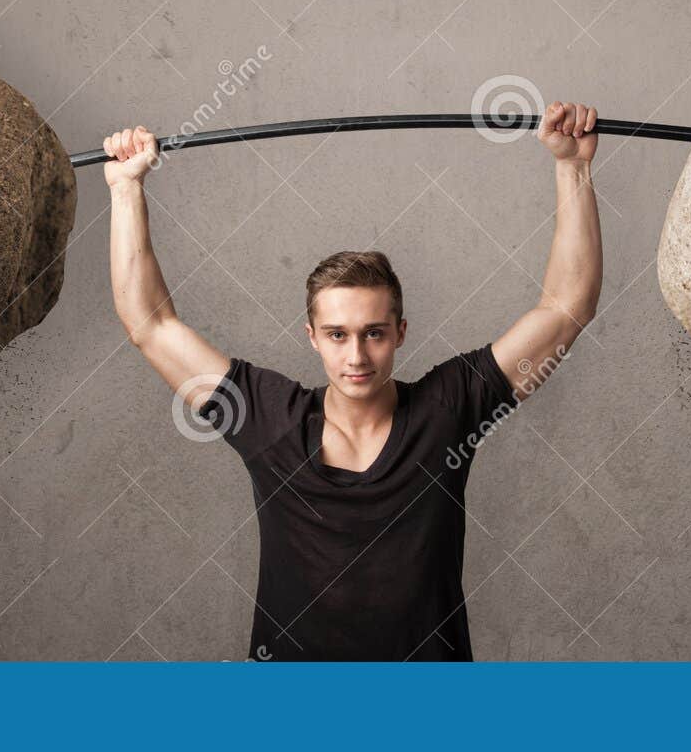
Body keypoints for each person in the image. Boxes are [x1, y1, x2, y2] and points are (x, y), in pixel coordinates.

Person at [102, 100, 602, 660]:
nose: (357, 355)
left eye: (374, 333)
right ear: (312, 337)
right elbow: (149, 323)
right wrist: (126, 189)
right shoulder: (269, 419)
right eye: (337, 335)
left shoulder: (447, 411)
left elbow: (566, 309)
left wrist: (571, 167)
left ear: (401, 332)